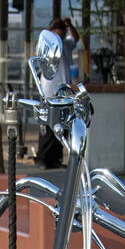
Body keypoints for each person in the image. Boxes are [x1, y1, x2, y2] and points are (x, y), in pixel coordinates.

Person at [38, 17, 80, 169]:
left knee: (62, 126)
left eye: (61, 36)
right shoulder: (48, 46)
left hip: (63, 90)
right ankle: (43, 157)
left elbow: (75, 38)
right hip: (50, 89)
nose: (59, 39)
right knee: (49, 125)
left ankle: (55, 158)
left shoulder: (66, 45)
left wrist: (70, 26)